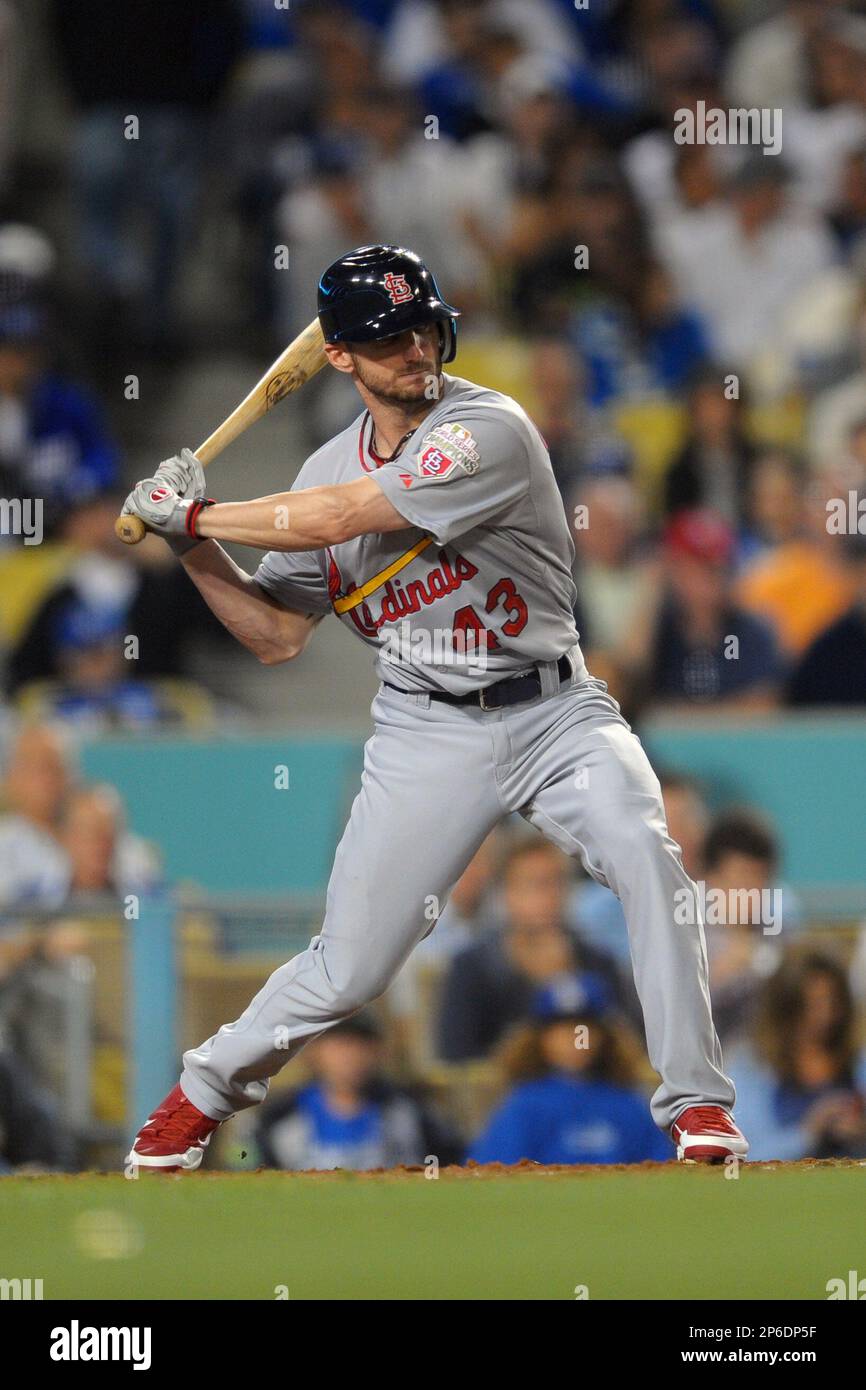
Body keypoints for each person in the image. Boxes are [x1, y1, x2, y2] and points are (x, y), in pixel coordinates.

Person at [121, 243, 745, 1171]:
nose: (416, 349)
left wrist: (200, 516)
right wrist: (192, 550)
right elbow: (274, 633)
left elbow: (343, 518)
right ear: (339, 357)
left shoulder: (487, 428)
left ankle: (697, 1107)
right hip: (425, 725)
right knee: (352, 966)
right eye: (388, 338)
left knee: (644, 852)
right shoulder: (319, 471)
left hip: (554, 709)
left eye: (425, 328)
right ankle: (201, 1094)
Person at [435, 837, 630, 1063]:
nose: (549, 896)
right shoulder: (471, 969)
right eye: (534, 884)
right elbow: (456, 1059)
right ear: (507, 893)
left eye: (557, 882)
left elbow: (626, 1051)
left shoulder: (598, 963)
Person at [469, 975, 670, 1165]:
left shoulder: (629, 1103)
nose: (574, 1041)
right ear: (539, 1039)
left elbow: (662, 1171)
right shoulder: (524, 1105)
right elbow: (494, 1174)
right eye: (561, 1031)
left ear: (605, 1038)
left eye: (583, 1029)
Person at [253, 1012, 460, 1172]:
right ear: (313, 1051)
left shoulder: (410, 1112)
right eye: (340, 1045)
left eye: (361, 1045)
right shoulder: (279, 1118)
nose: (351, 1057)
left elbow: (451, 1165)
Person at [727, 953, 866, 1162]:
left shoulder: (858, 1063)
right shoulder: (751, 1067)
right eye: (812, 1005)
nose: (825, 1016)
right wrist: (809, 1133)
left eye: (833, 1002)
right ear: (786, 1009)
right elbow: (741, 1154)